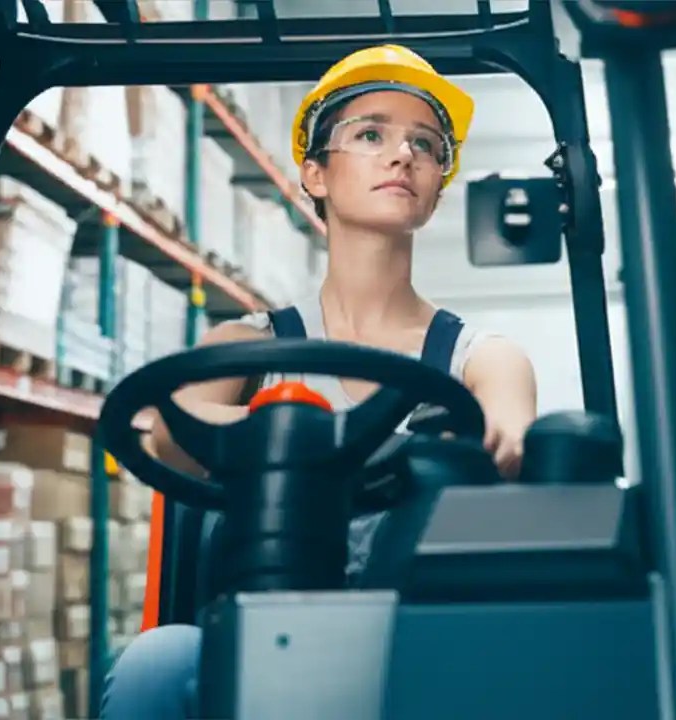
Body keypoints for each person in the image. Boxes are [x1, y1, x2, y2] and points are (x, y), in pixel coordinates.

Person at [100, 44, 538, 719]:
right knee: (158, 661)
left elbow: (507, 427)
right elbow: (170, 444)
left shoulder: (478, 355)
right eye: (371, 134)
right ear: (315, 174)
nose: (404, 156)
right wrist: (282, 438)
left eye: (426, 144)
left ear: (438, 182)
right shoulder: (246, 348)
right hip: (259, 630)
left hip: (413, 641)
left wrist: (486, 441)